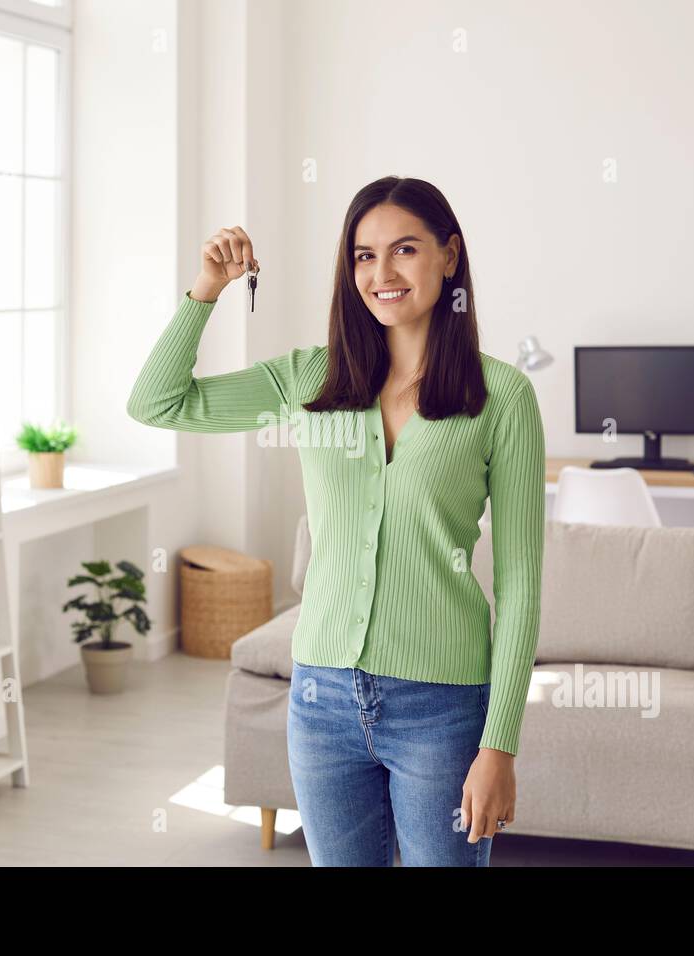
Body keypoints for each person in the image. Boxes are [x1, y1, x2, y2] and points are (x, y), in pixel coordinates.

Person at [126, 175, 545, 866]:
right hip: (319, 700)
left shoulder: (501, 396)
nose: (381, 273)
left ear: (449, 255)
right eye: (363, 255)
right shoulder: (308, 380)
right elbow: (156, 404)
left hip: (441, 710)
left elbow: (523, 582)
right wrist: (205, 292)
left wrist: (499, 744)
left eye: (404, 250)